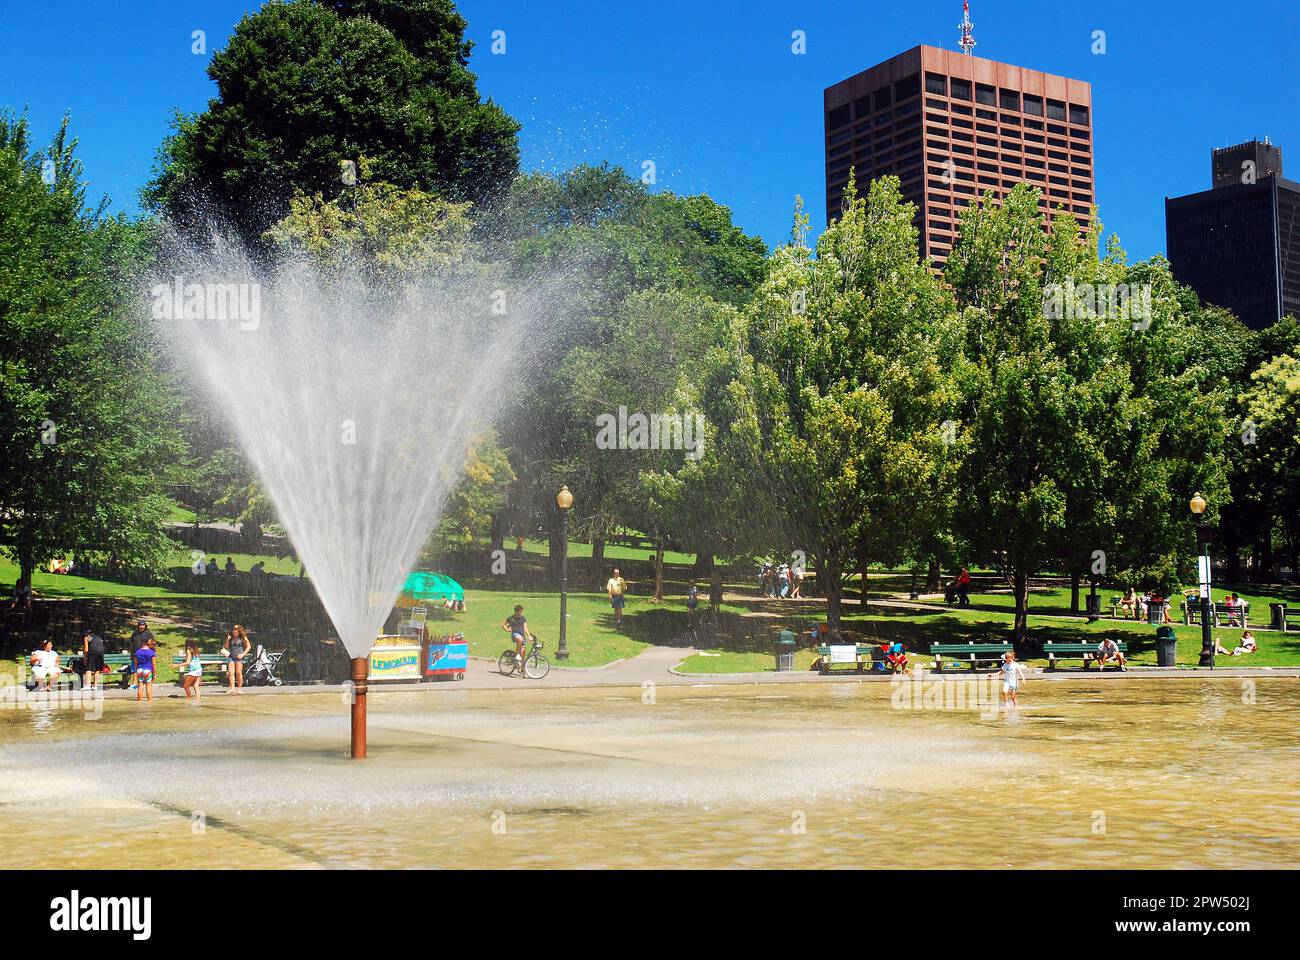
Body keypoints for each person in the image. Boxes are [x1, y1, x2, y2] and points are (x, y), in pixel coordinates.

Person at [132, 637, 157, 702]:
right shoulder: (151, 652)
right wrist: (155, 673)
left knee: (140, 687)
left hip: (140, 670)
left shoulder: (138, 652)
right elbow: (153, 663)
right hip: (148, 670)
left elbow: (135, 663)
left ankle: (139, 701)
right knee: (148, 687)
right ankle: (149, 701)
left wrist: (136, 670)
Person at [225, 624, 249, 692]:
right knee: (231, 672)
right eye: (234, 629)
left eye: (236, 629)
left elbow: (248, 647)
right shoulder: (230, 638)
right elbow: (226, 647)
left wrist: (243, 654)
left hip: (239, 656)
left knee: (238, 672)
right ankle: (232, 688)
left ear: (239, 631)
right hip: (231, 656)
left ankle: (239, 688)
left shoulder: (242, 638)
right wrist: (227, 639)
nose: (234, 631)